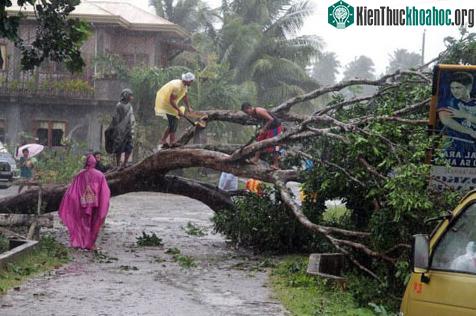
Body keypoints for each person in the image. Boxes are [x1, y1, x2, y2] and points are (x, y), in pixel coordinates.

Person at [58, 154, 111, 250]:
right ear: (94, 163)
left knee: (81, 223)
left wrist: (72, 202)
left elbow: (72, 191)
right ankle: (90, 244)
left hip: (82, 203)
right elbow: (105, 192)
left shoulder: (80, 174)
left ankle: (79, 242)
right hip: (95, 204)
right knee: (93, 224)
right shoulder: (100, 175)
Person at [438, 72, 476, 166]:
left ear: (469, 87)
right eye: (452, 88)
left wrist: (465, 115)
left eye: (458, 88)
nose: (454, 91)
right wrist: (469, 131)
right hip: (453, 147)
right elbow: (446, 120)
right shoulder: (449, 102)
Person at [155, 72, 195, 147]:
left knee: (171, 124)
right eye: (191, 81)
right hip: (167, 105)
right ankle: (172, 143)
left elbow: (185, 96)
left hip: (171, 104)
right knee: (174, 123)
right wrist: (178, 110)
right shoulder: (177, 87)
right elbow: (171, 101)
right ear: (187, 80)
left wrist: (188, 107)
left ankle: (163, 140)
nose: (192, 82)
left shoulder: (184, 86)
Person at [241, 102, 282, 169]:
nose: (247, 114)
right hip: (268, 128)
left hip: (275, 127)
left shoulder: (259, 111)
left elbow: (271, 119)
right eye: (246, 113)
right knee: (259, 141)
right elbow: (263, 121)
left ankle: (276, 164)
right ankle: (256, 159)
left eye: (247, 111)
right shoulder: (253, 114)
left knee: (275, 146)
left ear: (250, 108)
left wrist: (263, 129)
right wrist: (261, 130)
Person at [110, 88, 135, 169]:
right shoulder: (119, 105)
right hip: (120, 131)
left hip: (128, 130)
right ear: (126, 95)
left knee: (129, 147)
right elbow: (116, 118)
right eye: (130, 95)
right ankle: (118, 165)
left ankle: (124, 163)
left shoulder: (130, 106)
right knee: (119, 148)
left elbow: (131, 118)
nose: (131, 97)